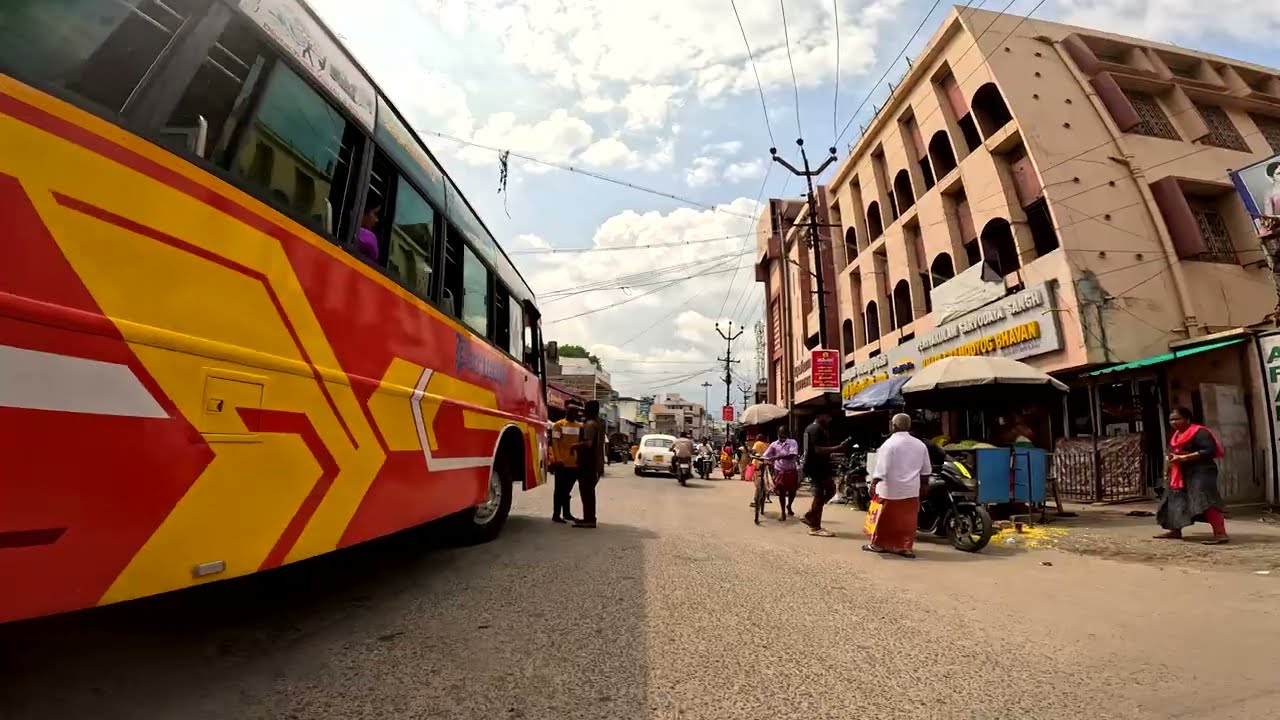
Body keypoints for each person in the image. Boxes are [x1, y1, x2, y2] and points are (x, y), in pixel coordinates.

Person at [1155, 407, 1229, 544]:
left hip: (1201, 470)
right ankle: (1175, 530)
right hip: (1180, 472)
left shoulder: (1200, 432)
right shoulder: (1176, 435)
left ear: (1187, 419)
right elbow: (1170, 453)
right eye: (1171, 420)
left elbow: (1208, 450)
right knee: (1174, 498)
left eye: (1177, 419)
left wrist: (1184, 458)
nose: (1173, 422)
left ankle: (1220, 533)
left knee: (1205, 498)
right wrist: (1167, 470)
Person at [865, 414, 932, 558]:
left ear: (893, 426)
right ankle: (904, 547)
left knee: (884, 519)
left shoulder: (889, 444)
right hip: (911, 490)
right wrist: (924, 485)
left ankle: (879, 545)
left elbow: (882, 468)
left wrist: (874, 483)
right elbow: (926, 469)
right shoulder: (920, 445)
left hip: (890, 489)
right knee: (908, 521)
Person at [801, 412, 851, 537]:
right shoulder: (815, 429)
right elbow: (817, 449)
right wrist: (837, 447)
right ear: (820, 416)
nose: (829, 419)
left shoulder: (812, 428)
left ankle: (811, 517)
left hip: (817, 466)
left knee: (827, 491)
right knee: (822, 493)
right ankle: (814, 525)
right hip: (816, 467)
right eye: (827, 416)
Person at [547, 400, 583, 524]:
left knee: (567, 491)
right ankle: (556, 515)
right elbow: (555, 443)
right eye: (572, 411)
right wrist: (557, 459)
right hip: (561, 464)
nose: (574, 414)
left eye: (576, 412)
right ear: (567, 412)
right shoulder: (558, 425)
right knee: (559, 491)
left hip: (574, 464)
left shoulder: (580, 426)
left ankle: (567, 513)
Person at [572, 400, 606, 529]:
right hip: (595, 462)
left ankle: (589, 519)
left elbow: (588, 443)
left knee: (586, 491)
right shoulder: (599, 423)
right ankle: (589, 518)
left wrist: (574, 446)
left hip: (588, 463)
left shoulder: (590, 424)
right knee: (589, 492)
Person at [762, 427, 800, 520]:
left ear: (787, 435)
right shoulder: (774, 444)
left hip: (791, 470)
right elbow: (766, 455)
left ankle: (789, 505)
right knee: (782, 492)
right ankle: (783, 513)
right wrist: (764, 459)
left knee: (792, 491)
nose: (782, 438)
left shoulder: (792, 442)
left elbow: (792, 455)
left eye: (784, 436)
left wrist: (778, 456)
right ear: (777, 435)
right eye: (780, 436)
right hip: (779, 470)